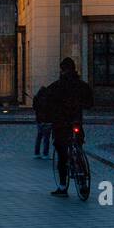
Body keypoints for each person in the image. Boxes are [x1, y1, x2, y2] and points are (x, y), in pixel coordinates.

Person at [46, 57, 94, 197]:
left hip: (61, 124)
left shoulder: (57, 86)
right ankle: (83, 181)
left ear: (62, 70)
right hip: (76, 122)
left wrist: (50, 115)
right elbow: (90, 103)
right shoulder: (82, 85)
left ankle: (62, 187)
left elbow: (47, 102)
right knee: (78, 146)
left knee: (62, 156)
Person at [32, 84, 53, 159]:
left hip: (39, 120)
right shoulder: (49, 100)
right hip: (47, 120)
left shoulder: (37, 99)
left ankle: (36, 153)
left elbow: (34, 108)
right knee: (46, 138)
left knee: (39, 137)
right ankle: (45, 154)